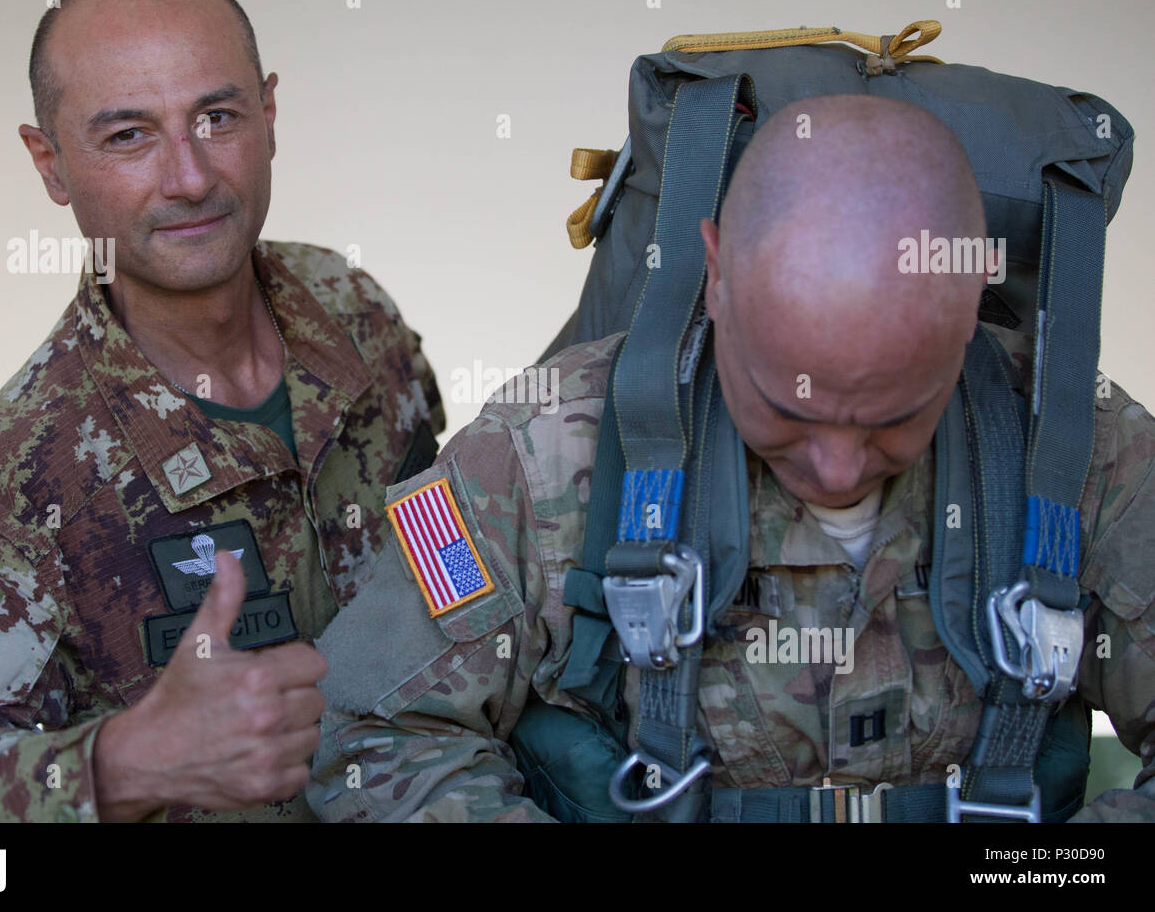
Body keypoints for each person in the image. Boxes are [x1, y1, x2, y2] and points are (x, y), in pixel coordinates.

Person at [307, 95, 1155, 822]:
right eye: (788, 408)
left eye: (896, 419)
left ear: (973, 298)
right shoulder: (542, 450)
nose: (836, 468)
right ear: (716, 276)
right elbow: (369, 734)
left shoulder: (1080, 450)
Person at [0, 0, 443, 822]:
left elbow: (443, 542)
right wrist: (121, 765)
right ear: (50, 163)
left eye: (218, 116)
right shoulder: (10, 481)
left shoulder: (353, 311)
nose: (190, 176)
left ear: (269, 115)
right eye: (128, 135)